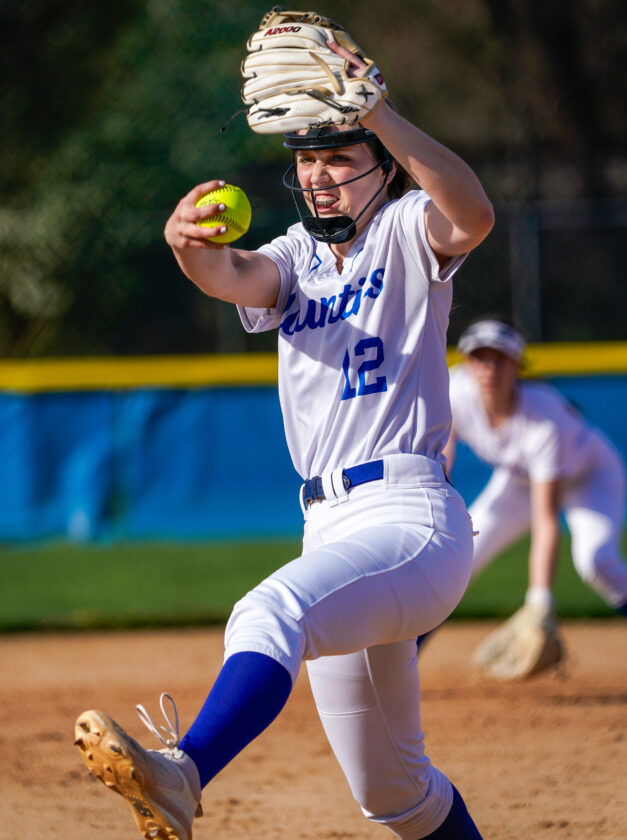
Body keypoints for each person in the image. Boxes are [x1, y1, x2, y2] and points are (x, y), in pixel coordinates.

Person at [73, 31, 495, 840]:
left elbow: (470, 213)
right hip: (328, 528)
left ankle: (183, 772)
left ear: (384, 161)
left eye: (338, 156)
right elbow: (234, 275)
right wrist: (186, 247)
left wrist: (377, 109)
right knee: (393, 795)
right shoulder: (295, 255)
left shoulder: (409, 228)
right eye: (306, 161)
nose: (317, 175)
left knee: (268, 611)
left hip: (409, 520)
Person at [441, 317, 627, 677]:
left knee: (596, 561)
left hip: (589, 478)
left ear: (517, 366)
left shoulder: (543, 419)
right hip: (518, 478)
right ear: (467, 363)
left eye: (500, 359)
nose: (489, 368)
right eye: (480, 358)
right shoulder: (456, 390)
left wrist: (539, 600)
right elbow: (442, 452)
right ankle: (405, 657)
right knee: (458, 559)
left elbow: (546, 519)